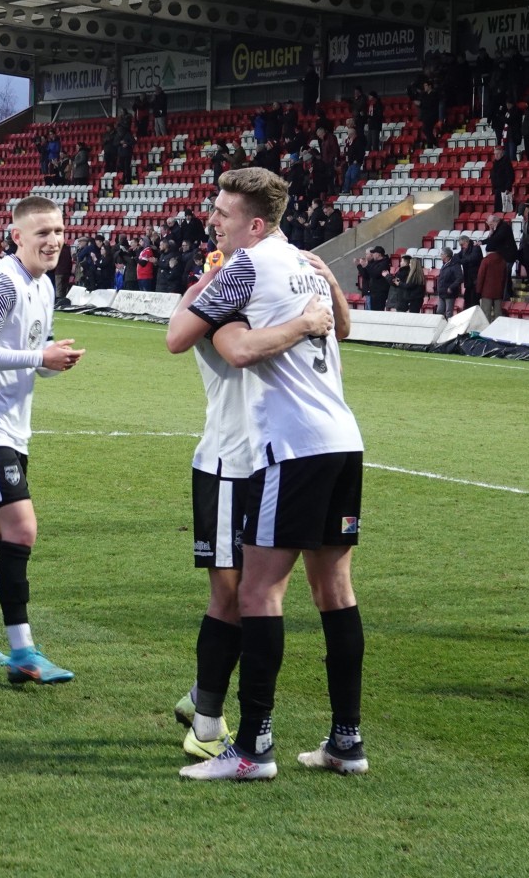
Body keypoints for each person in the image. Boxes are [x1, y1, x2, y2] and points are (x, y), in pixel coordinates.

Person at [176, 167, 366, 782]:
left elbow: (206, 343)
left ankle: (252, 750)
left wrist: (281, 323)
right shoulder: (308, 264)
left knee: (258, 592)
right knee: (334, 590)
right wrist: (320, 312)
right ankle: (345, 741)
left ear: (254, 225)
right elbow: (344, 327)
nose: (214, 221)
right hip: (343, 440)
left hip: (291, 448)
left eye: (224, 214)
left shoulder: (246, 266)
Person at [166, 235, 333, 766]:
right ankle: (208, 726)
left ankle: (201, 697)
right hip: (227, 468)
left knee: (248, 598)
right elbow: (192, 335)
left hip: (267, 465)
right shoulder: (220, 317)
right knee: (233, 598)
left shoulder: (259, 310)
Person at [0, 195, 84, 684]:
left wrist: (51, 361)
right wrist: (37, 359)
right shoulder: (2, 282)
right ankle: (24, 653)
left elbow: (30, 356)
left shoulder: (43, 285)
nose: (52, 241)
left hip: (11, 427)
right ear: (17, 237)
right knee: (20, 530)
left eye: (58, 231)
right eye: (42, 232)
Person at [477, 250, 506, 323]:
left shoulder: (486, 261)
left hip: (486, 292)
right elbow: (505, 278)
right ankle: (497, 331)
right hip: (499, 291)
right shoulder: (503, 261)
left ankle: (486, 331)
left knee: (486, 314)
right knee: (498, 314)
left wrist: (478, 290)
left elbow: (481, 276)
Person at [455, 235, 483, 307]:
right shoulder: (464, 249)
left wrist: (460, 261)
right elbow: (458, 255)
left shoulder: (475, 248)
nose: (461, 246)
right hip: (468, 278)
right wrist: (456, 258)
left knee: (474, 299)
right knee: (467, 298)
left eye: (462, 244)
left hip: (475, 278)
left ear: (466, 242)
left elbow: (472, 258)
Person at [437, 248, 463, 319]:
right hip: (442, 292)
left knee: (449, 312)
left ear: (446, 255)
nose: (440, 255)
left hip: (450, 293)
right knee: (439, 311)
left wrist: (451, 287)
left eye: (442, 254)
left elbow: (460, 278)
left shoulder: (455, 265)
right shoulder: (444, 265)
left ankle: (449, 327)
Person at [489, 148, 515, 214]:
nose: (496, 156)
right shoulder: (495, 163)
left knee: (504, 209)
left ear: (502, 154)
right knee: (498, 209)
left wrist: (508, 188)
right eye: (495, 154)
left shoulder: (506, 163)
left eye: (497, 154)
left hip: (504, 189)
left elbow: (510, 176)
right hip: (497, 189)